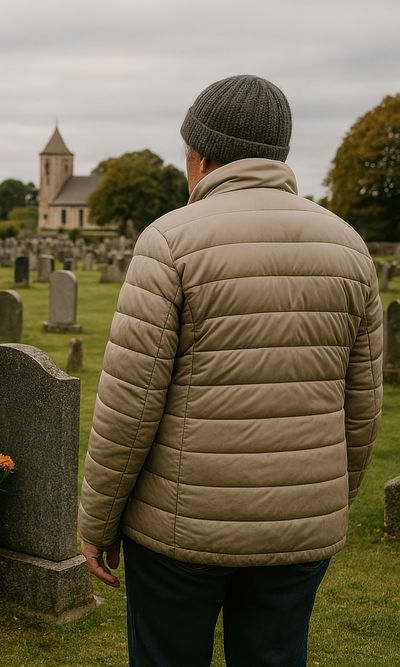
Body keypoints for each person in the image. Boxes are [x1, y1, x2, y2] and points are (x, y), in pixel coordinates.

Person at [79, 74, 382, 667]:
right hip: (299, 531)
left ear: (202, 154)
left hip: (180, 533)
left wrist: (97, 522)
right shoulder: (349, 245)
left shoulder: (169, 241)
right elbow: (364, 408)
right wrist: (324, 500)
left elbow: (129, 409)